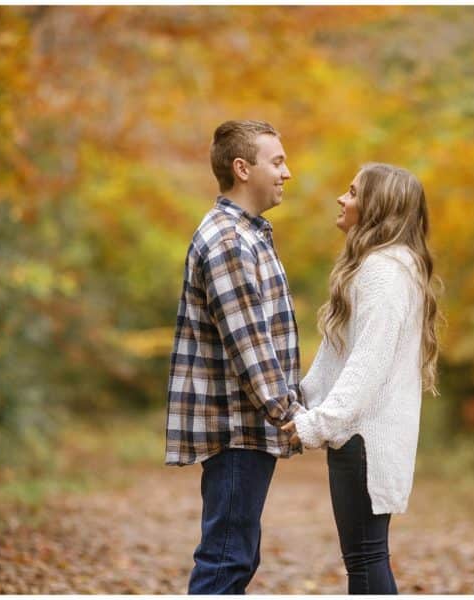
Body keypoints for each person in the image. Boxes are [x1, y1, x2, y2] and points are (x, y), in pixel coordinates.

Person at [282, 163, 440, 595]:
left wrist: (316, 424)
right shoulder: (387, 266)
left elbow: (367, 365)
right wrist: (301, 400)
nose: (341, 198)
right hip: (362, 439)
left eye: (352, 192)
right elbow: (339, 358)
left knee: (366, 560)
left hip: (362, 441)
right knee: (366, 557)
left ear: (377, 206)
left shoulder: (384, 271)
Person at [164, 120, 304, 594]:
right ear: (242, 168)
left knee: (234, 556)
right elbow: (249, 344)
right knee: (226, 561)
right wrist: (290, 416)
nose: (287, 172)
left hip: (246, 427)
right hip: (237, 429)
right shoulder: (229, 241)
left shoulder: (248, 234)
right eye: (278, 161)